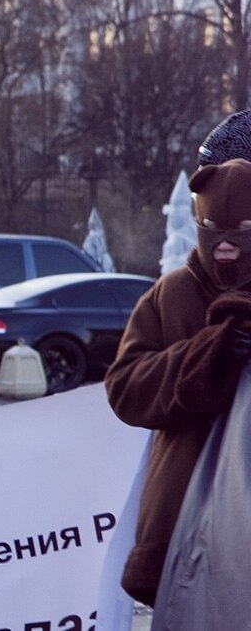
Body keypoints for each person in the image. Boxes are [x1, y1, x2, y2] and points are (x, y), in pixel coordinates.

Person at [105, 155, 251, 606]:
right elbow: (125, 387)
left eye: (243, 232)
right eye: (213, 230)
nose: (225, 248)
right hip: (181, 511)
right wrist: (202, 356)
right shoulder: (171, 295)